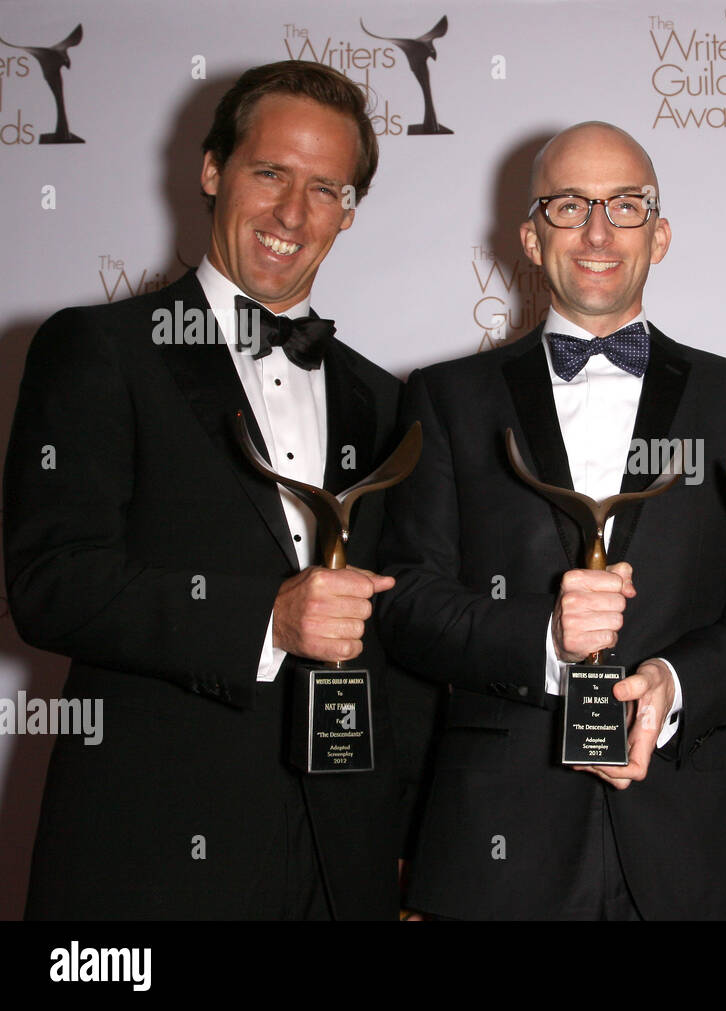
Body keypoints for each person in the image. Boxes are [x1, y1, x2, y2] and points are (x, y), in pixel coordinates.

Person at [5, 60, 431, 919]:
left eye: (325, 189)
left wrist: (413, 846)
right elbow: (51, 584)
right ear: (212, 170)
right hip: (150, 858)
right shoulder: (99, 349)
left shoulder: (388, 403)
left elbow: (407, 647)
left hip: (340, 869)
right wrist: (264, 619)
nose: (291, 214)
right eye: (269, 172)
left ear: (349, 213)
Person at [378, 121, 726, 919]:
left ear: (661, 234)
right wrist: (544, 638)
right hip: (497, 850)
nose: (599, 230)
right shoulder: (445, 398)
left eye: (626, 205)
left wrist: (673, 684)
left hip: (691, 845)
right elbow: (405, 601)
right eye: (569, 205)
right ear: (532, 238)